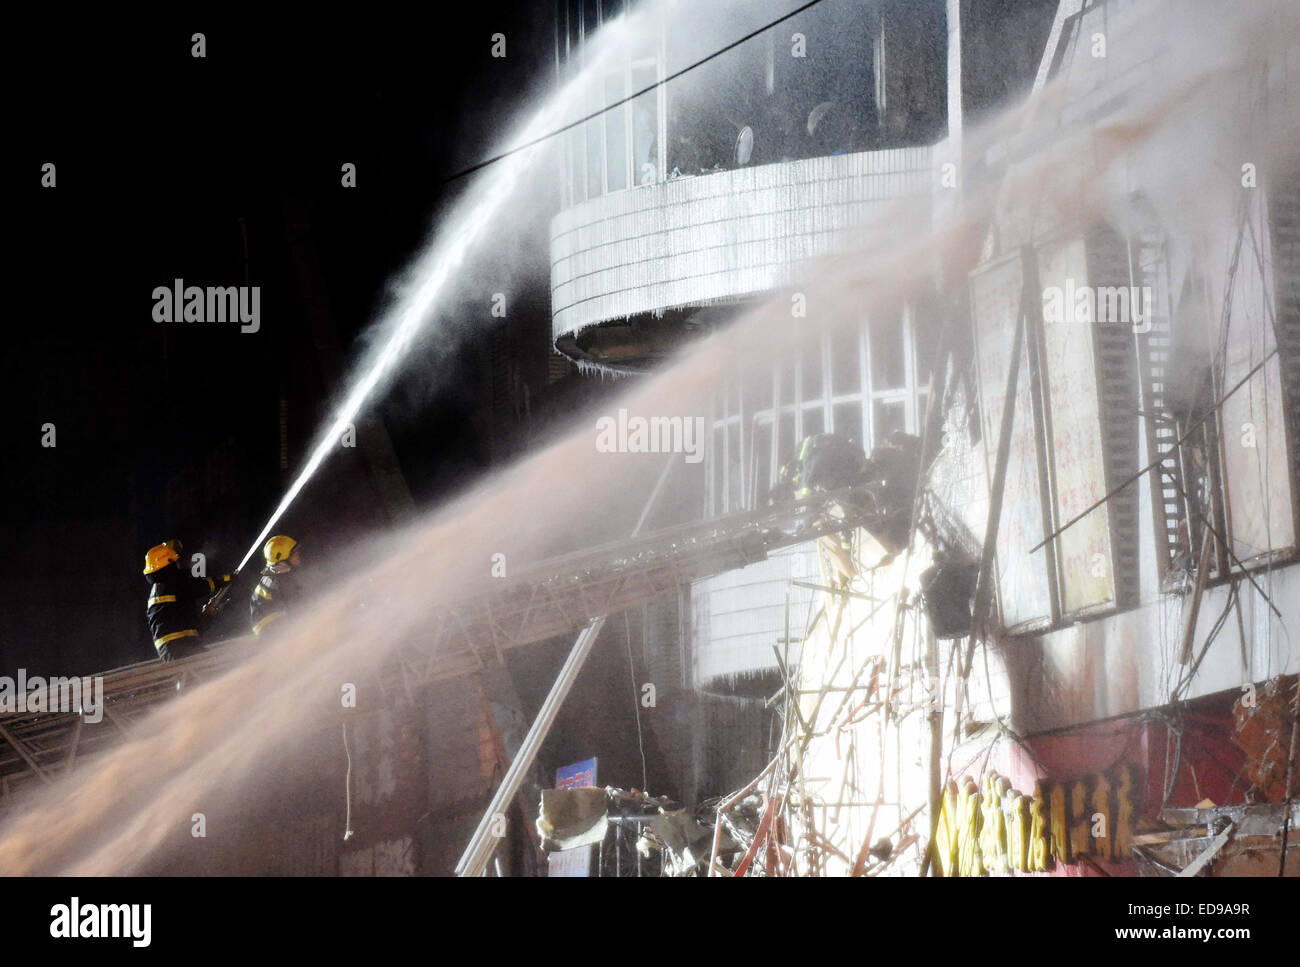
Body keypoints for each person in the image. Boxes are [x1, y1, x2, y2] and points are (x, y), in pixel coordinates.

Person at [142, 539, 232, 661]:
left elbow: (186, 625)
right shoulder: (169, 584)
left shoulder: (164, 589)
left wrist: (208, 616)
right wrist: (223, 580)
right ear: (168, 564)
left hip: (177, 646)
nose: (179, 564)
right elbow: (197, 587)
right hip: (179, 646)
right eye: (175, 561)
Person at [249, 535, 304, 639]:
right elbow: (297, 606)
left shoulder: (273, 574)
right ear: (281, 559)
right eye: (293, 553)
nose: (298, 555)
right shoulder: (280, 578)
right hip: (270, 626)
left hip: (266, 624)